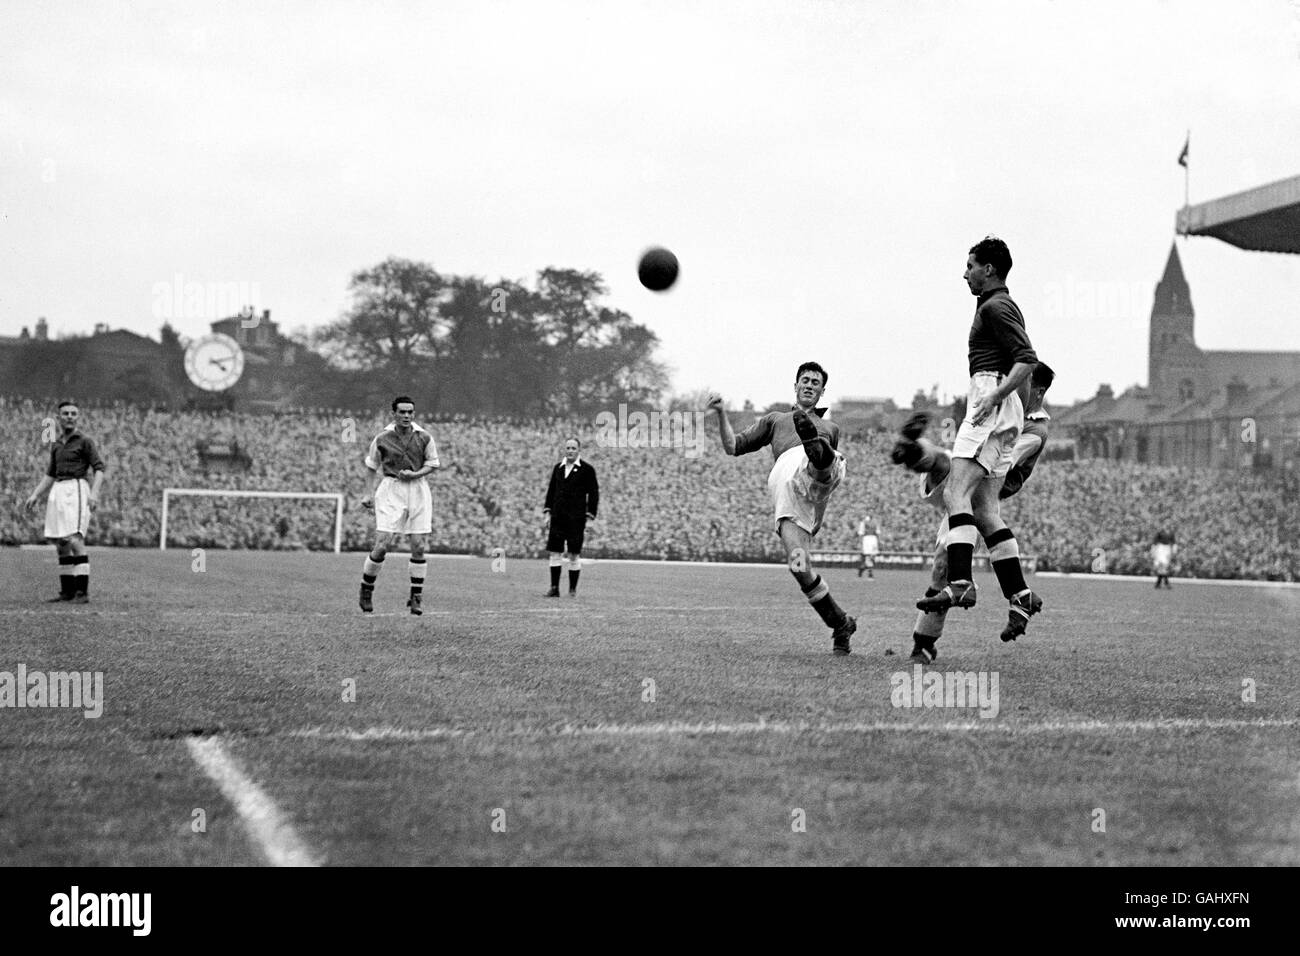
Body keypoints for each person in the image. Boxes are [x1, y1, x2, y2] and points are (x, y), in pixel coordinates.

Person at [916, 236, 1042, 642]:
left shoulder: (995, 306)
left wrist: (996, 396)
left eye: (970, 265)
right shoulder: (997, 305)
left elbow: (1027, 358)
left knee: (955, 492)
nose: (964, 272)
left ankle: (962, 581)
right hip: (1002, 411)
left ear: (989, 269)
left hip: (990, 404)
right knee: (986, 510)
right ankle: (1019, 594)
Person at [893, 362, 1055, 661]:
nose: (1017, 386)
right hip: (972, 485)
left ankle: (916, 451)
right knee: (943, 561)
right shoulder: (1008, 404)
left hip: (987, 484)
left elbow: (1001, 459)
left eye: (1024, 383)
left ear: (1039, 391)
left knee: (946, 472)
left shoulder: (1035, 430)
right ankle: (926, 641)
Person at [708, 362, 857, 655]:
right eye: (805, 380)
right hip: (786, 489)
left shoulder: (832, 427)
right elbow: (732, 446)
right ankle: (840, 623)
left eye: (816, 382)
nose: (810, 384)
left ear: (822, 391)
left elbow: (825, 488)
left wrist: (820, 516)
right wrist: (721, 413)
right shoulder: (775, 420)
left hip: (814, 471)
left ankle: (814, 446)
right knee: (799, 567)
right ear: (796, 386)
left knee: (820, 463)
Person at [358, 396, 440, 615]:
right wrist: (367, 493)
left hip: (418, 489)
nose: (406, 416)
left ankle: (415, 597)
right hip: (391, 489)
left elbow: (433, 464)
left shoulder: (424, 437)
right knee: (383, 543)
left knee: (418, 546)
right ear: (393, 413)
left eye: (410, 412)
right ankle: (367, 588)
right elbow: (371, 466)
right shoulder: (382, 438)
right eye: (402, 412)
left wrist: (415, 474)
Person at [24, 401, 105, 603]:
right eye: (65, 413)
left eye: (73, 413)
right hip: (58, 490)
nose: (69, 416)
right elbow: (50, 474)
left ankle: (82, 592)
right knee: (61, 542)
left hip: (76, 489)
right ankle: (67, 591)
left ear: (78, 417)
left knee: (74, 539)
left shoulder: (85, 441)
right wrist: (35, 494)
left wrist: (93, 494)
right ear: (58, 418)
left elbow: (99, 468)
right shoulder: (57, 443)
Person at [543, 437, 599, 597]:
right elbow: (551, 491)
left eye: (573, 448)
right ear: (564, 450)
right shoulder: (558, 469)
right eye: (568, 448)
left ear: (579, 450)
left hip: (576, 519)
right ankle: (554, 588)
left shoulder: (587, 470)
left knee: (574, 554)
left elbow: (594, 494)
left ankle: (572, 589)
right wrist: (547, 513)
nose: (570, 451)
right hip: (558, 517)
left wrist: (590, 518)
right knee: (555, 552)